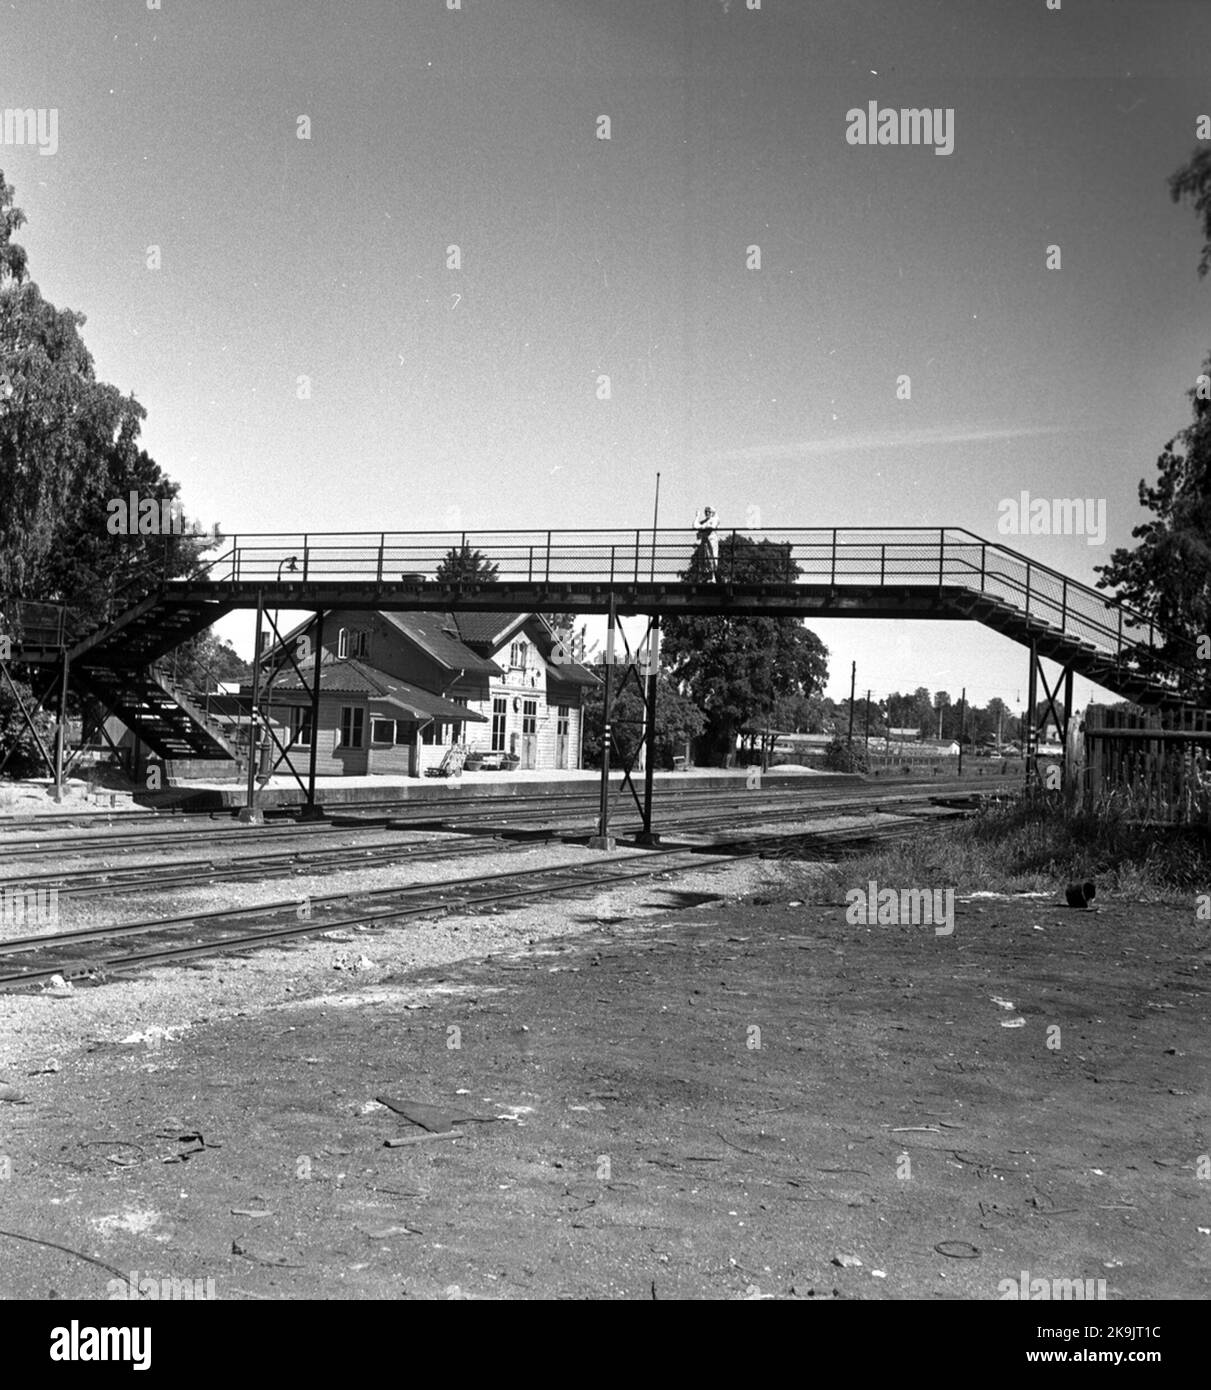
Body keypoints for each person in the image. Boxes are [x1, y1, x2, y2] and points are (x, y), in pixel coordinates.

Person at [694, 504, 719, 579]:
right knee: (705, 558)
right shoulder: (704, 521)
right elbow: (695, 526)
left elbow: (712, 526)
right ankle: (707, 577)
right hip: (705, 542)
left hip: (712, 542)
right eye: (706, 512)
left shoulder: (715, 519)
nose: (707, 513)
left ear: (712, 513)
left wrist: (702, 527)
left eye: (709, 511)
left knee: (712, 557)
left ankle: (713, 577)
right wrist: (697, 516)